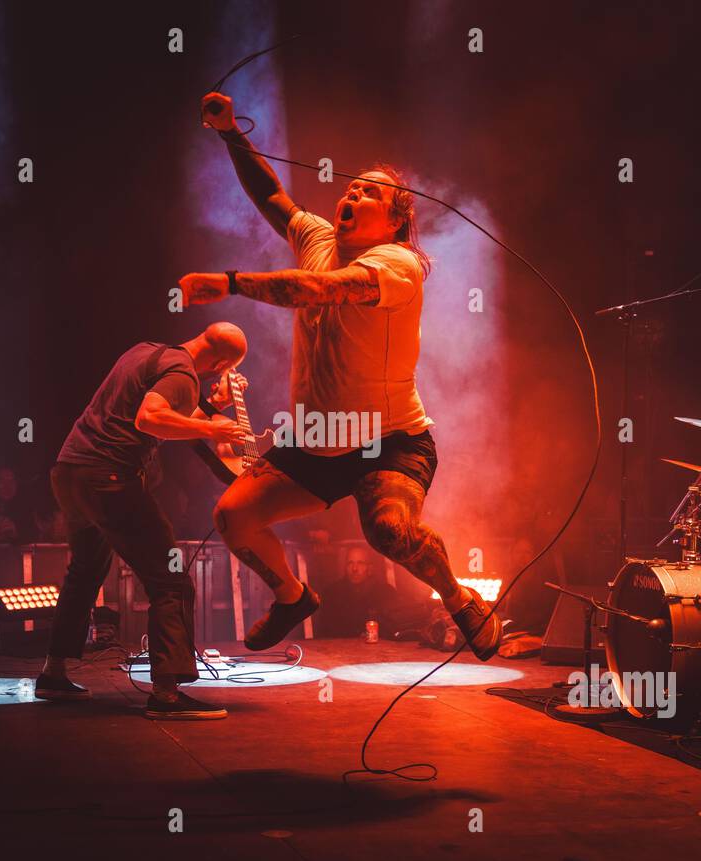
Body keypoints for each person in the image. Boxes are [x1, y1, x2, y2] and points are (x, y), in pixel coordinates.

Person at [175, 91, 503, 661]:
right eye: (351, 187)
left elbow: (322, 290)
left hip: (390, 442)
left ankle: (457, 596)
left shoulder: (397, 265)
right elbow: (273, 196)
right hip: (317, 443)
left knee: (388, 532)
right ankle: (293, 595)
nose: (351, 193)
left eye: (369, 192)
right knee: (233, 516)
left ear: (397, 220)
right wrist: (231, 132)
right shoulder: (319, 239)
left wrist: (230, 282)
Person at [36, 323, 250, 720]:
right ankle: (166, 695)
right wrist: (210, 425)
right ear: (220, 362)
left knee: (84, 570)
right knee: (170, 579)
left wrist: (211, 407)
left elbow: (163, 421)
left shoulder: (146, 350)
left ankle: (53, 673)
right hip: (109, 478)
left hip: (70, 472)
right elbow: (150, 419)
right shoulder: (183, 374)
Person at [316, 546, 404, 639]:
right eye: (350, 563)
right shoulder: (332, 593)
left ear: (370, 568)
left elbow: (394, 627)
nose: (354, 568)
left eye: (360, 563)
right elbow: (325, 630)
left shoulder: (385, 592)